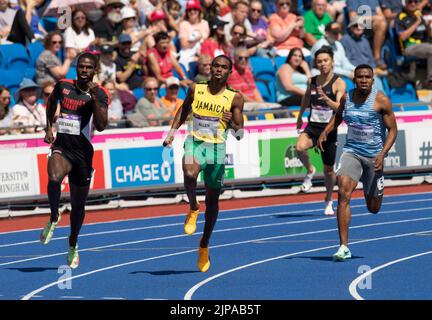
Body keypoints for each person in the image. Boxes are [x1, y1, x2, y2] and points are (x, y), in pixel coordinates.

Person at [162, 55, 244, 272]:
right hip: (195, 142)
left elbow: (239, 133)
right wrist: (172, 132)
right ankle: (193, 206)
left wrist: (231, 123)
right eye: (215, 65)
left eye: (224, 67)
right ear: (210, 68)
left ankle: (204, 244)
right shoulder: (196, 89)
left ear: (229, 72)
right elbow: (183, 109)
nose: (218, 69)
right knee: (189, 173)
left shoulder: (235, 97)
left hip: (217, 149)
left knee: (213, 203)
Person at [317, 64, 397, 261]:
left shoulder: (381, 101)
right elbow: (338, 117)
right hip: (351, 152)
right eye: (360, 77)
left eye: (367, 77)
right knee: (343, 191)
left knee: (374, 208)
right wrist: (325, 132)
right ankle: (343, 247)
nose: (363, 80)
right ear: (354, 80)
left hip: (373, 157)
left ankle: (372, 189)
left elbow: (393, 130)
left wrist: (382, 154)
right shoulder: (347, 98)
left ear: (372, 80)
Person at [40, 52, 110, 269]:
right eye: (81, 66)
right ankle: (54, 216)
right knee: (53, 178)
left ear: (95, 70)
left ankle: (73, 242)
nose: (84, 71)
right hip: (62, 146)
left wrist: (96, 98)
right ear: (77, 68)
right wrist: (49, 127)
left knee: (78, 206)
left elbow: (100, 125)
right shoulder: (63, 86)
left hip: (83, 154)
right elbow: (51, 102)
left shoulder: (100, 93)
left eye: (89, 68)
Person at [296, 46, 346, 215]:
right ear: (316, 64)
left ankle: (328, 199)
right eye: (319, 61)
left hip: (329, 130)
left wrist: (326, 99)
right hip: (312, 126)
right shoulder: (312, 81)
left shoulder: (339, 83)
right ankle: (310, 170)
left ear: (332, 61)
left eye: (326, 60)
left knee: (329, 170)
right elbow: (306, 98)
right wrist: (300, 115)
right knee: (299, 147)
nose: (323, 64)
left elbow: (340, 107)